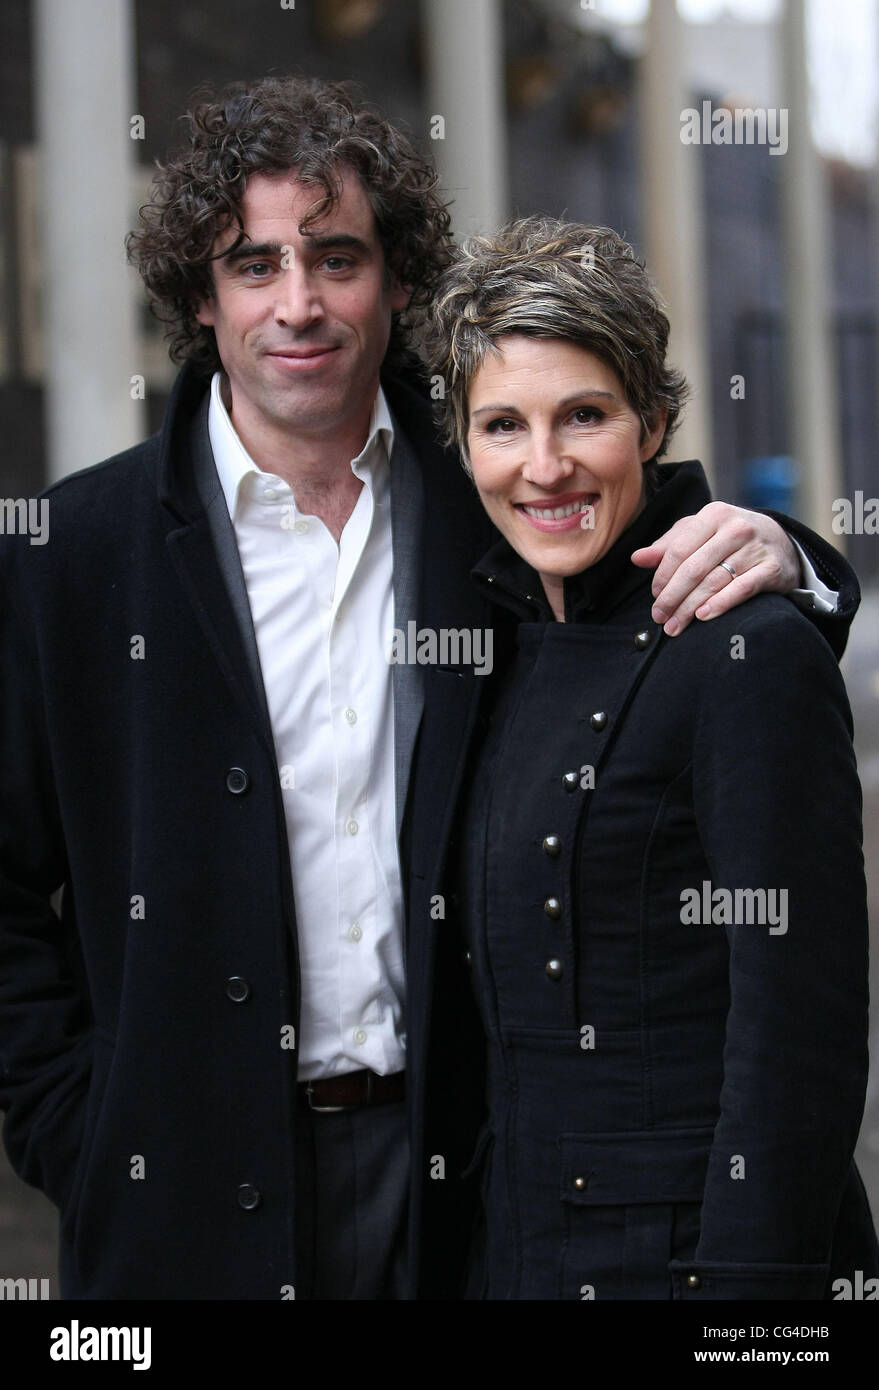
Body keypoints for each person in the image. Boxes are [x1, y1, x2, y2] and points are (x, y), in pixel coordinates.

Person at [0, 78, 860, 1301]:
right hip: (180, 1198)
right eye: (253, 263)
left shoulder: (497, 490)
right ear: (202, 296)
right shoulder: (71, 554)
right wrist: (77, 1132)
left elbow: (650, 552)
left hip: (465, 1186)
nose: (298, 303)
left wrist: (799, 563)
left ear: (398, 279)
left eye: (337, 256)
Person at [411, 217, 879, 1300]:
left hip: (695, 1271)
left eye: (585, 415)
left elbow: (797, 1046)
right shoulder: (495, 645)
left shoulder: (748, 649)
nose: (544, 465)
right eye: (501, 425)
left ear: (654, 419)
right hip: (514, 1256)